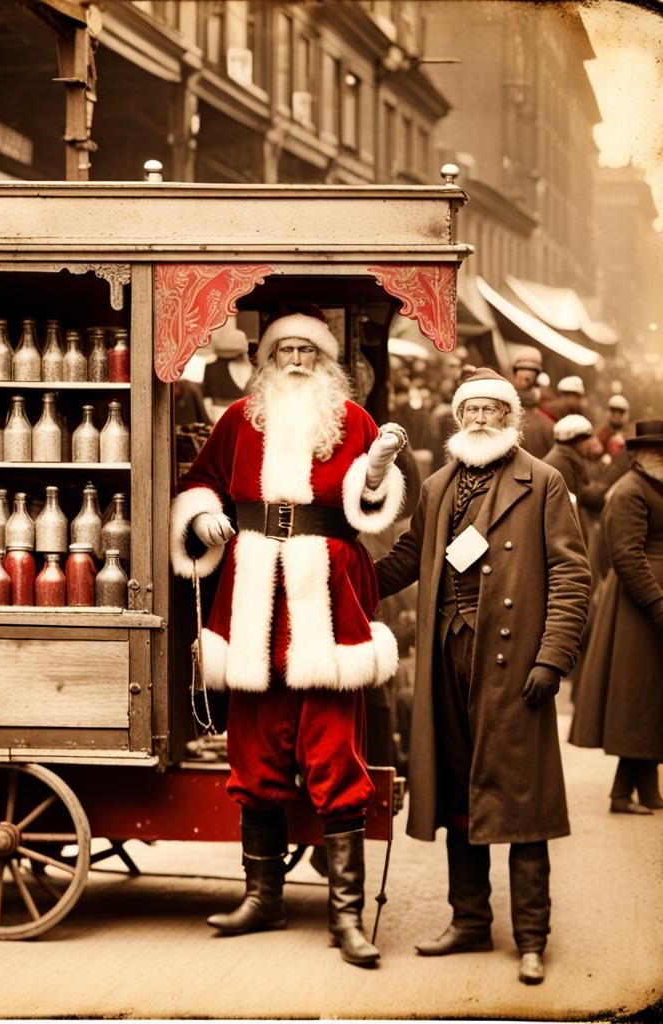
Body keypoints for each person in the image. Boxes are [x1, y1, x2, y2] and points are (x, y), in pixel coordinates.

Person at [170, 303, 406, 968]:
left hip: (327, 589)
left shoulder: (352, 422)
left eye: (309, 352)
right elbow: (198, 488)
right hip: (252, 592)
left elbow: (370, 506)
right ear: (266, 362)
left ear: (326, 363)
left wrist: (380, 471)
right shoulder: (239, 421)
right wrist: (207, 520)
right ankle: (262, 897)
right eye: (286, 352)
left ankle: (347, 916)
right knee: (256, 746)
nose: (297, 361)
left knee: (334, 747)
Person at [373, 367, 591, 986]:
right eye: (471, 411)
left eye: (494, 410)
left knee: (523, 803)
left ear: (512, 418)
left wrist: (552, 657)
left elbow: (573, 577)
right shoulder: (439, 484)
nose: (481, 420)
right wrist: (349, 584)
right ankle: (469, 921)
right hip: (448, 658)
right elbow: (410, 557)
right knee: (457, 794)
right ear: (457, 418)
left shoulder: (543, 482)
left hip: (516, 662)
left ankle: (530, 937)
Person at [569, 420, 663, 813]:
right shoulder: (630, 491)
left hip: (656, 603)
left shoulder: (652, 486)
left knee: (650, 700)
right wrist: (657, 605)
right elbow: (626, 556)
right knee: (640, 699)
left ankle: (639, 791)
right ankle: (624, 795)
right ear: (639, 455)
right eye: (657, 450)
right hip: (641, 609)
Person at [542, 415, 606, 540]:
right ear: (578, 442)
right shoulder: (562, 464)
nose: (590, 444)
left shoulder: (566, 458)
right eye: (588, 439)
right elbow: (569, 507)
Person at [511, 347, 554, 458]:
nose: (526, 377)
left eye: (530, 372)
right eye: (522, 371)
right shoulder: (547, 423)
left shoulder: (502, 415)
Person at [594, 394, 630, 459]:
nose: (617, 416)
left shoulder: (629, 434)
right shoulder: (602, 434)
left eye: (620, 413)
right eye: (614, 412)